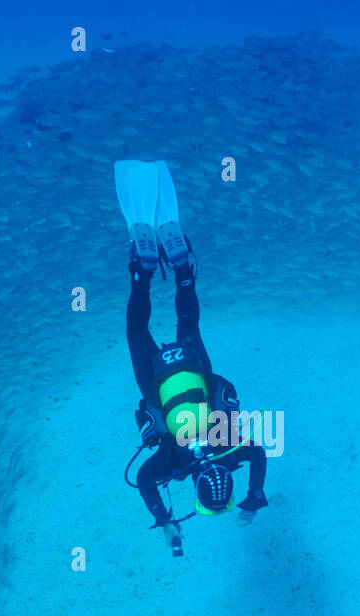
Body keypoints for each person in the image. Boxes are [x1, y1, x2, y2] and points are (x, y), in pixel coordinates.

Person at [116, 160, 268, 556]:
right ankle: (141, 270)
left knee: (187, 321)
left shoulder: (233, 448)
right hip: (158, 379)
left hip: (195, 367)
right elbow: (145, 483)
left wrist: (255, 494)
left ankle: (182, 268)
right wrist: (166, 522)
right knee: (137, 332)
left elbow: (260, 453)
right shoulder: (172, 463)